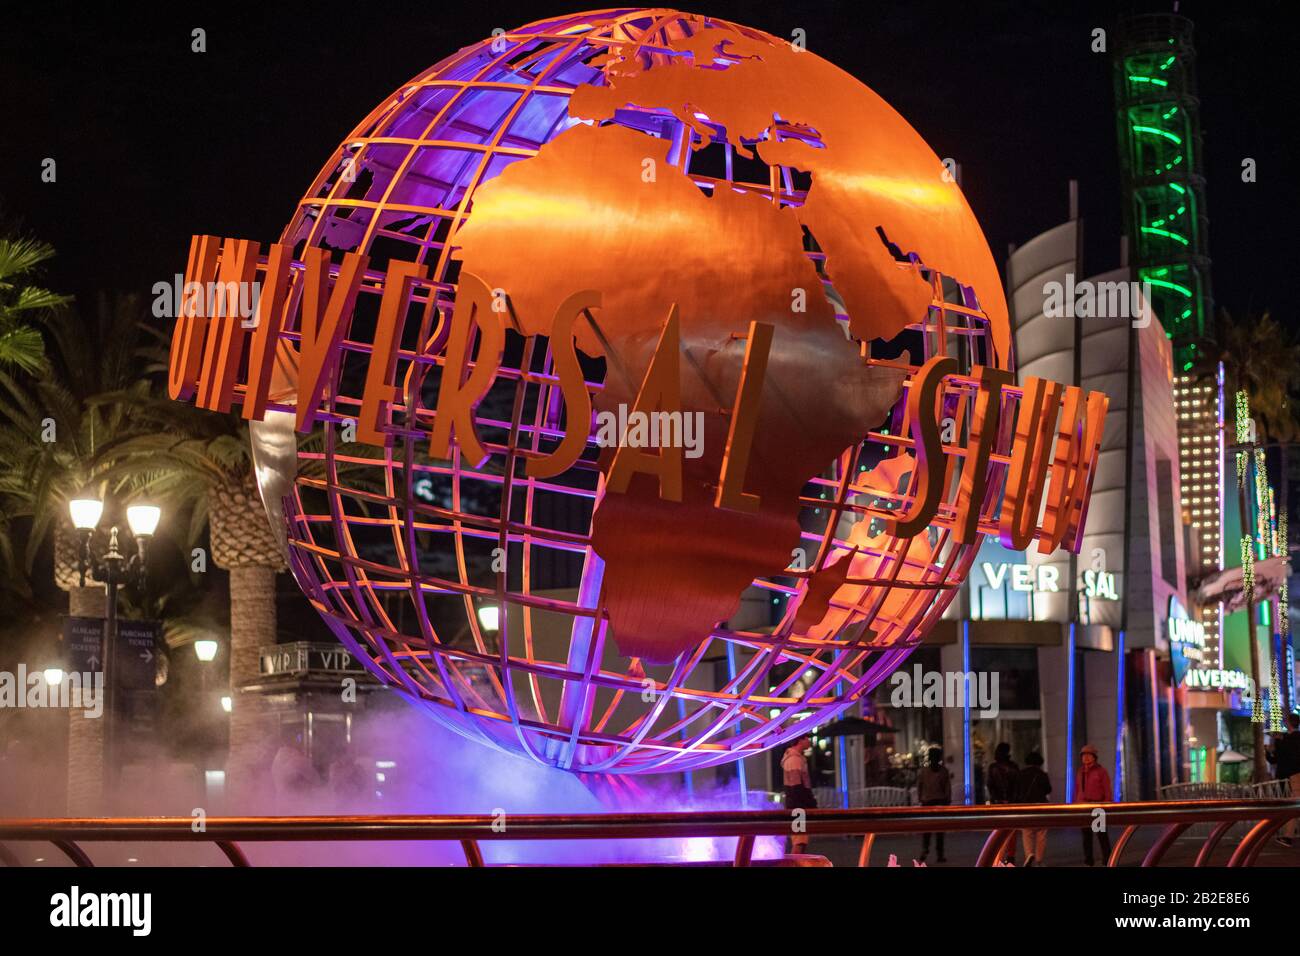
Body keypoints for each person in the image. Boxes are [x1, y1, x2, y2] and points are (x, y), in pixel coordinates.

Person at [1074, 743, 1113, 866]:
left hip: (1097, 805)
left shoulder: (1101, 771)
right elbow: (1077, 788)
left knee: (1101, 835)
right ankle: (1088, 860)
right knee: (1086, 836)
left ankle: (1107, 859)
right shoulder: (1080, 771)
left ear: (1094, 757)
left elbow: (1107, 788)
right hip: (1083, 807)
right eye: (1083, 755)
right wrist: (1076, 803)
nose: (1085, 758)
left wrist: (1107, 804)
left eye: (1088, 755)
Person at [1266, 712, 1300, 846]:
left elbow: (1274, 760)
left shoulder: (1284, 741)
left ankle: (1288, 837)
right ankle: (1288, 836)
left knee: (1293, 807)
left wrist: (1268, 751)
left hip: (1293, 776)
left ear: (1288, 723)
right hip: (1294, 775)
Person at [1014, 751, 1052, 865]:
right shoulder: (1042, 774)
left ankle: (1029, 855)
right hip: (1041, 807)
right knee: (1041, 833)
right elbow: (1048, 789)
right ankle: (1039, 860)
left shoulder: (1020, 774)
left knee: (1027, 833)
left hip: (1025, 807)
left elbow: (1017, 790)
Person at [781, 736, 817, 854]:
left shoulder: (795, 758)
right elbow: (796, 787)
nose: (809, 741)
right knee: (799, 841)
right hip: (798, 807)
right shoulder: (794, 760)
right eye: (807, 738)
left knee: (801, 840)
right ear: (800, 740)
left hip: (797, 806)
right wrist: (809, 802)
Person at [916, 747, 952, 863]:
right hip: (938, 801)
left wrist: (920, 798)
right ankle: (938, 853)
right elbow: (947, 787)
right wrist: (947, 799)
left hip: (928, 802)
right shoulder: (943, 771)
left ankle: (926, 850)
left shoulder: (924, 771)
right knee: (938, 830)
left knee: (928, 829)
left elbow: (920, 786)